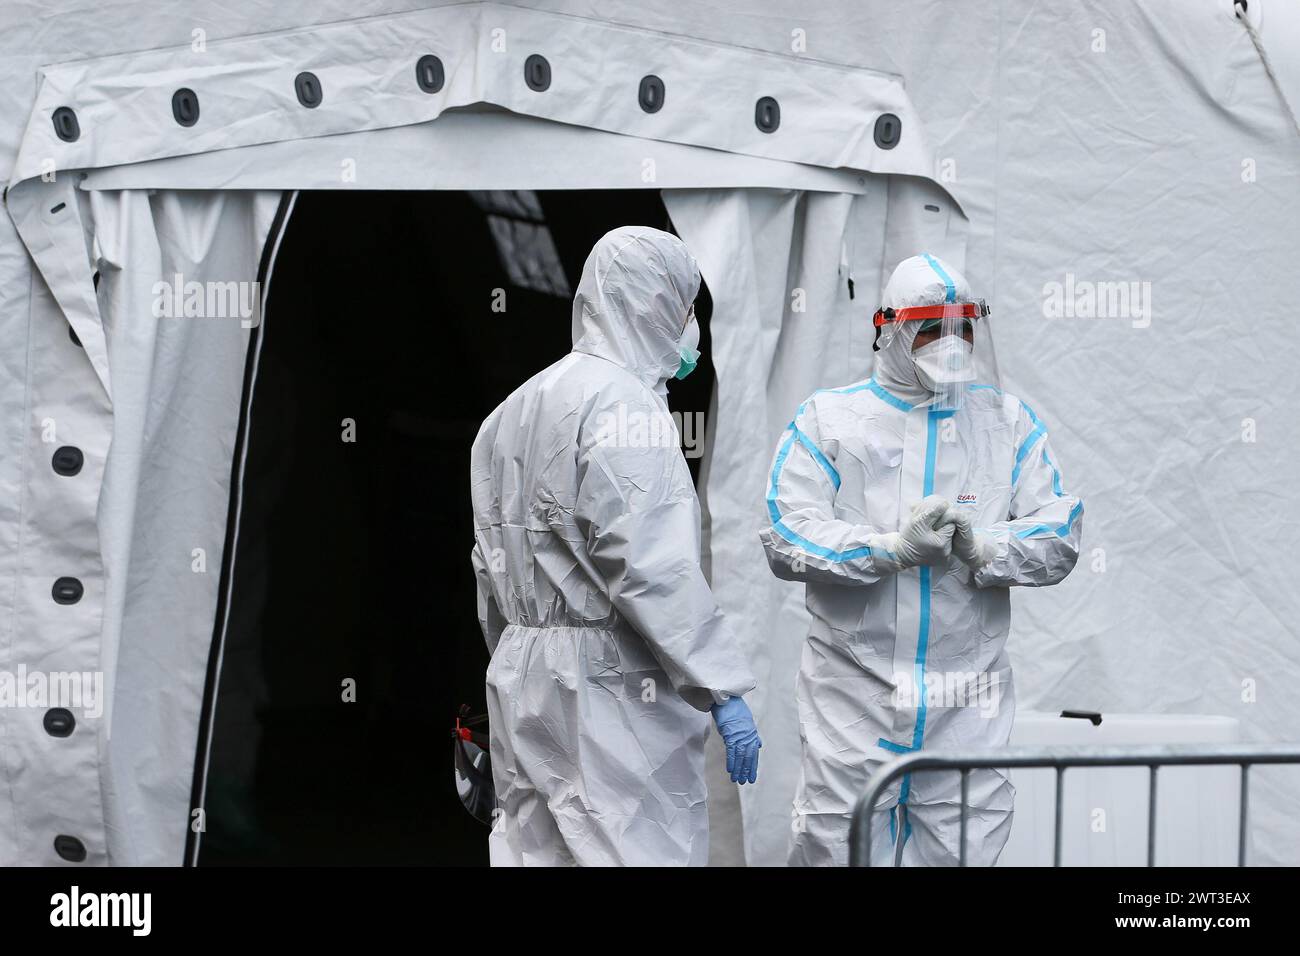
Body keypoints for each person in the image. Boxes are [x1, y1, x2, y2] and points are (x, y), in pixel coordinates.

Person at [760, 253, 1083, 866]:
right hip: (854, 695)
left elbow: (1059, 534)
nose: (951, 342)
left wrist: (990, 549)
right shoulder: (831, 420)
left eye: (963, 326)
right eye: (932, 327)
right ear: (891, 330)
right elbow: (786, 534)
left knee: (966, 852)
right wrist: (886, 550)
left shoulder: (1005, 421)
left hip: (968, 700)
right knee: (838, 849)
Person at [471, 226, 761, 867]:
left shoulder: (512, 410)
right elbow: (649, 564)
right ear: (654, 302)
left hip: (523, 668)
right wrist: (721, 687)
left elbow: (488, 561)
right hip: (610, 684)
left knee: (532, 850)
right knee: (630, 849)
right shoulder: (625, 408)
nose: (691, 328)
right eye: (686, 307)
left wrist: (511, 648)